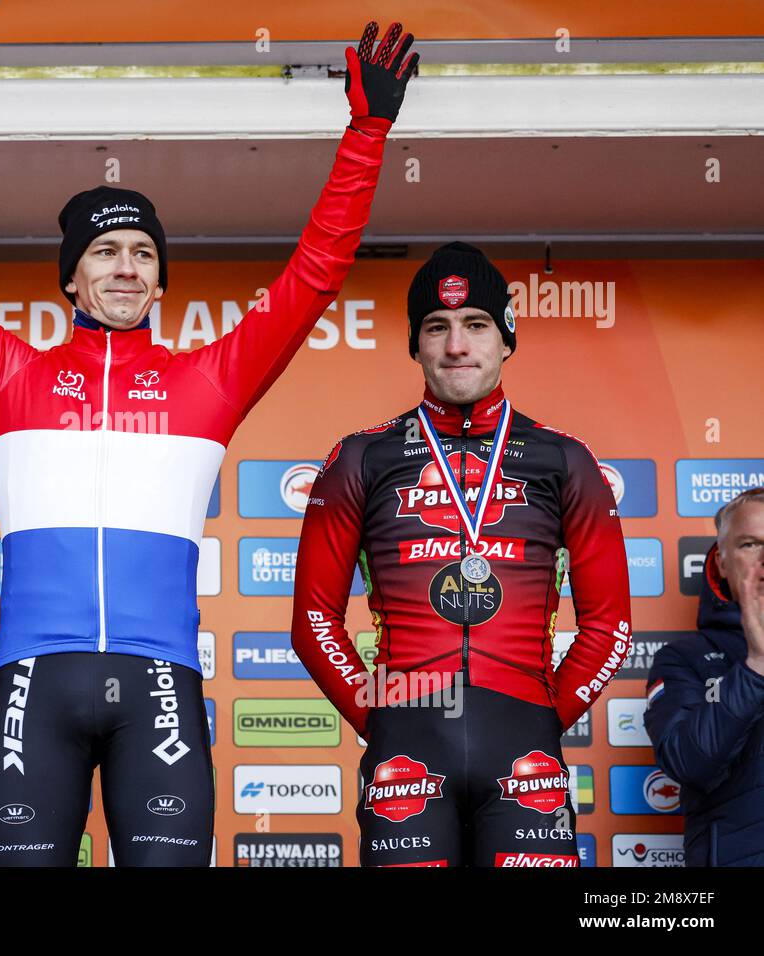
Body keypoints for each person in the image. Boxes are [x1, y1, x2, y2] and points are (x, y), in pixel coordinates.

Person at [0, 7, 418, 865]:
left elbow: (315, 274)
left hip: (159, 688)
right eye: (105, 252)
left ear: (162, 277)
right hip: (34, 684)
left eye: (141, 252)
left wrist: (367, 130)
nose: (126, 267)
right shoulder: (9, 373)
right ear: (71, 275)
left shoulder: (206, 381)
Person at [291, 241, 632, 867]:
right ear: (415, 344)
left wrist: (543, 714)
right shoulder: (361, 457)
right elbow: (313, 621)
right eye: (437, 327)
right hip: (405, 744)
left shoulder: (565, 460)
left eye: (476, 325)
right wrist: (378, 714)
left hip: (526, 745)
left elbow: (610, 624)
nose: (456, 345)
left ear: (506, 338)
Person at [645, 487, 764, 866]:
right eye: (750, 545)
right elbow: (689, 764)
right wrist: (756, 666)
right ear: (721, 562)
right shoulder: (683, 659)